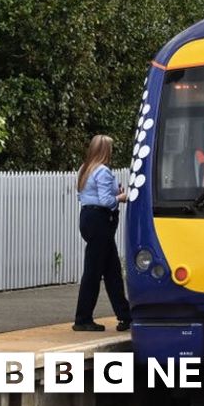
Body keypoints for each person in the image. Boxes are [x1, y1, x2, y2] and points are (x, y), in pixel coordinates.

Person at [73, 135, 132, 332]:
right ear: (106, 150)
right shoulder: (103, 171)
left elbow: (83, 195)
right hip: (100, 221)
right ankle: (82, 319)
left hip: (88, 217)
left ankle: (125, 315)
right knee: (93, 272)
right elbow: (107, 201)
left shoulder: (84, 169)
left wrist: (114, 194)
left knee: (112, 270)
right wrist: (121, 197)